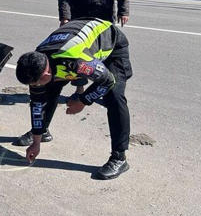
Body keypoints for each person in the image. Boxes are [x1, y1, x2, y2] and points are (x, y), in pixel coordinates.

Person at [15, 18, 133, 180]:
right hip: (71, 45)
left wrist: (83, 100)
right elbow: (37, 105)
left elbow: (108, 80)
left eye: (36, 82)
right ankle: (44, 132)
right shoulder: (37, 62)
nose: (34, 86)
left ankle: (119, 158)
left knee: (114, 96)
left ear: (46, 73)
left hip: (111, 46)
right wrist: (36, 140)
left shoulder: (77, 61)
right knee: (46, 93)